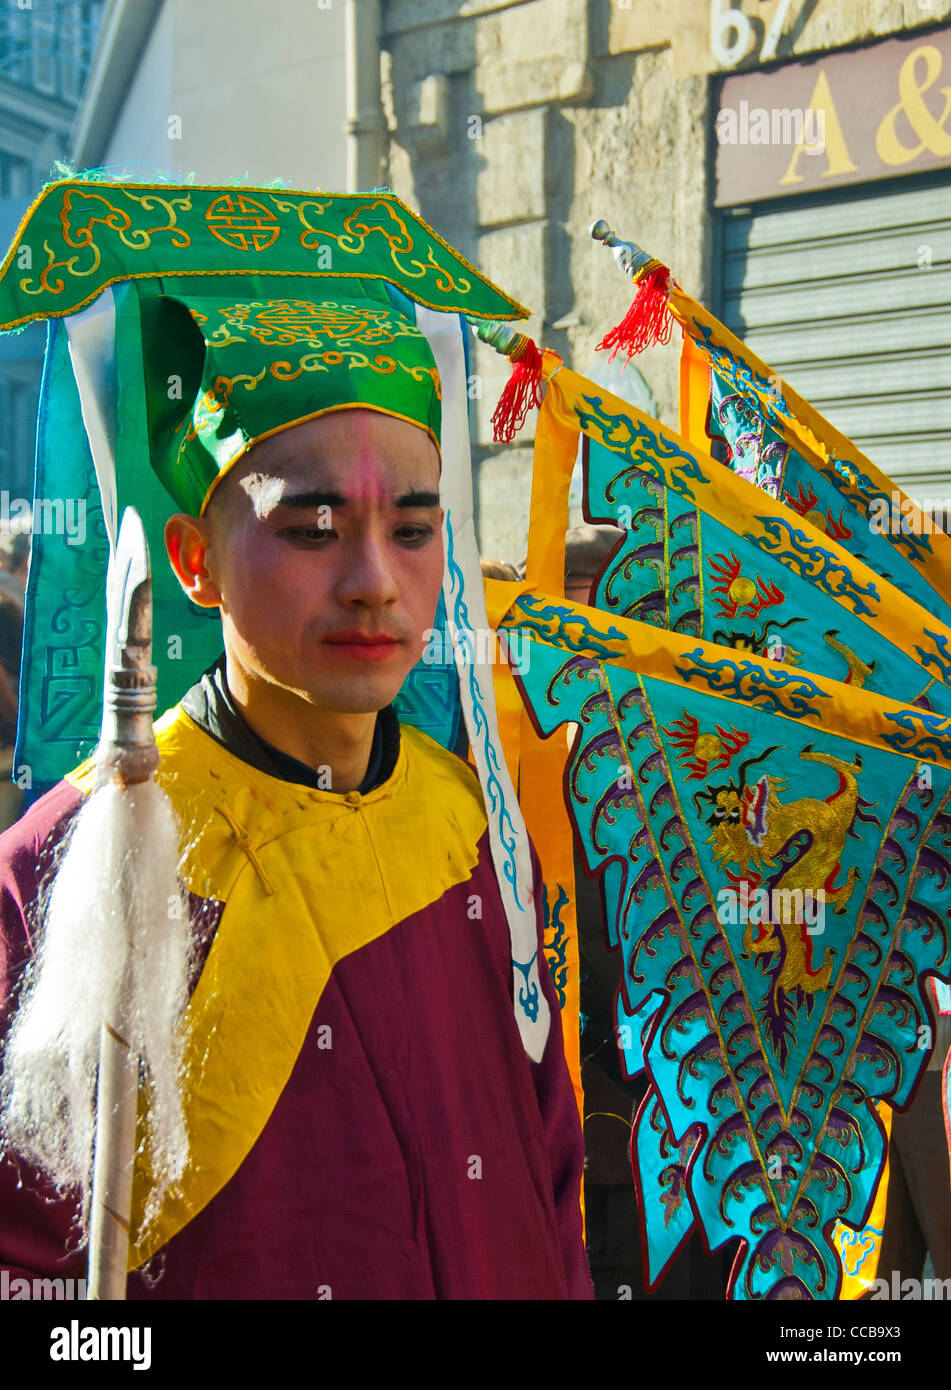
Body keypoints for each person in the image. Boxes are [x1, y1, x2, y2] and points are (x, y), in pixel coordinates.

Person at [0, 181, 590, 1300]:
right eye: (313, 527)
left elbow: (547, 1168)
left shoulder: (467, 822)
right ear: (194, 561)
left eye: (413, 530)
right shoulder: (59, 869)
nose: (375, 582)